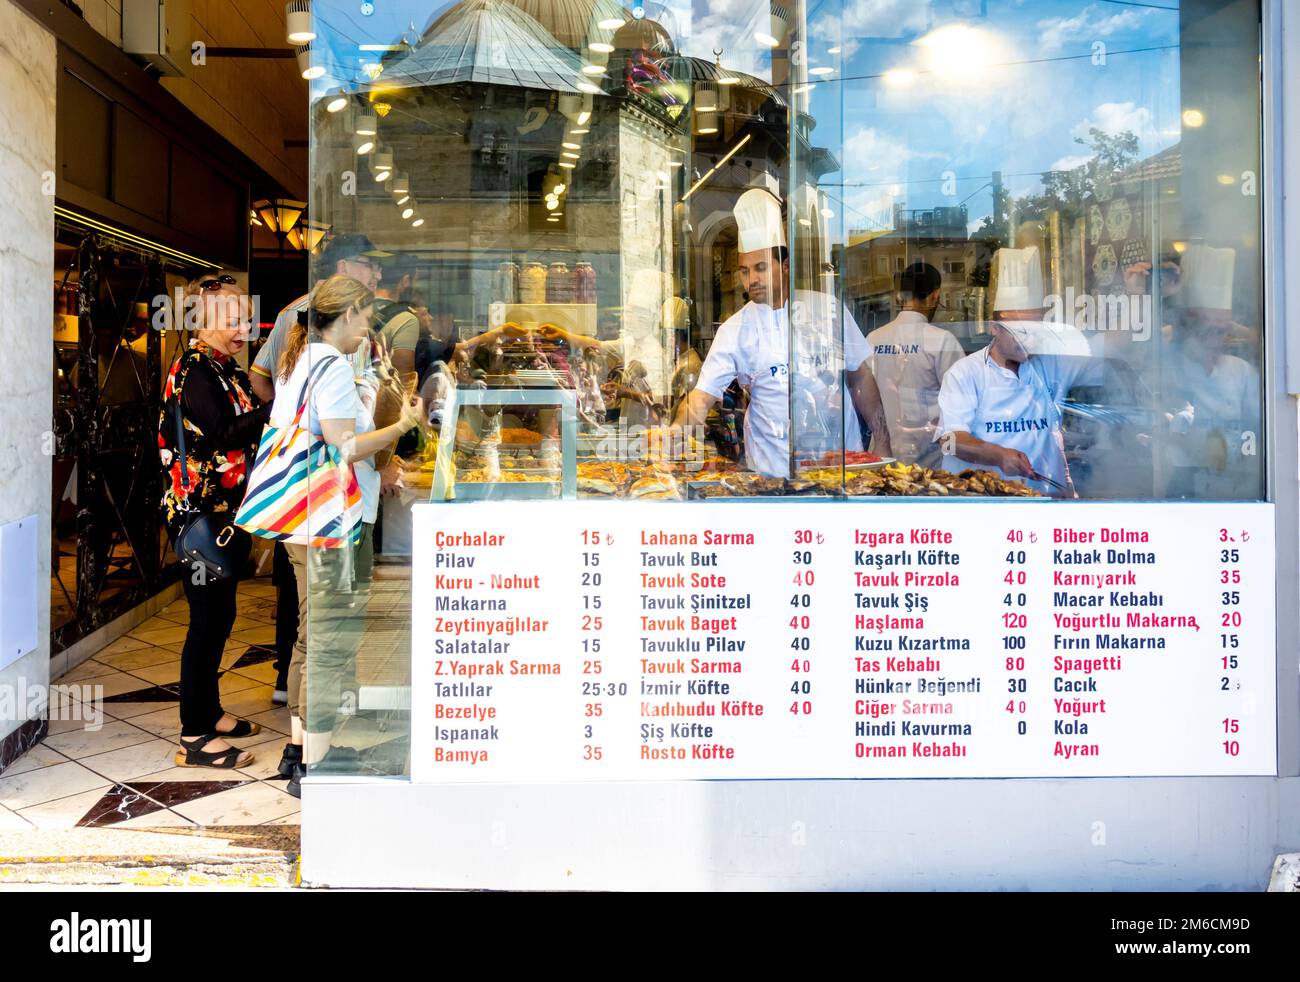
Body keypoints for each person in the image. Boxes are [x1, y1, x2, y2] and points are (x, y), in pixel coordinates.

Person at [272, 275, 423, 797]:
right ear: (346, 315)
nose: (368, 330)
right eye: (365, 319)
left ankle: (301, 749)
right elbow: (345, 446)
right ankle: (314, 767)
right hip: (328, 522)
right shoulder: (330, 363)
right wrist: (402, 425)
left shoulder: (302, 361)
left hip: (305, 522)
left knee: (311, 635)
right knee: (329, 641)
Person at [248, 234, 389, 704]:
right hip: (326, 503)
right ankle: (309, 742)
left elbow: (269, 384)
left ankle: (312, 725)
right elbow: (342, 442)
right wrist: (395, 427)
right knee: (321, 629)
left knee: (316, 624)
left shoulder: (307, 340)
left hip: (314, 503)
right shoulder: (325, 352)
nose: (377, 276)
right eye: (371, 266)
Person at [673, 188, 892, 476]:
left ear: (785, 266)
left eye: (761, 268)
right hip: (772, 476)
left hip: (839, 470)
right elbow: (702, 396)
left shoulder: (828, 309)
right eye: (744, 271)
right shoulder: (734, 329)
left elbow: (860, 375)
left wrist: (883, 441)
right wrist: (677, 430)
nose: (751, 280)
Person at [159, 272, 272, 769]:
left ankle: (210, 711)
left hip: (224, 513)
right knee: (206, 621)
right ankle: (193, 735)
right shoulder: (193, 370)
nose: (242, 327)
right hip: (199, 516)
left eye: (245, 317)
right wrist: (274, 410)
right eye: (230, 319)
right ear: (204, 322)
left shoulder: (225, 368)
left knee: (221, 615)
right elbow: (223, 433)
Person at [936, 246, 1097, 497]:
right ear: (994, 328)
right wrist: (998, 455)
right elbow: (949, 441)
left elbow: (1109, 347)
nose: (1028, 339)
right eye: (1020, 330)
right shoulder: (965, 373)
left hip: (1047, 499)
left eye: (1034, 329)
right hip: (985, 502)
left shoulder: (1052, 364)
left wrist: (1138, 293)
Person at [1160, 245, 1261, 499]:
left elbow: (1259, 426)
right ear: (1189, 327)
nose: (1215, 340)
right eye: (1208, 330)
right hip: (1182, 481)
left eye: (1222, 331)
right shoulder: (1169, 365)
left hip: (1237, 481)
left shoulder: (1240, 371)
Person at [868, 261, 964, 467]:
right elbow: (960, 404)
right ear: (935, 295)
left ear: (898, 295)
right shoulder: (942, 341)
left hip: (882, 455)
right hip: (931, 459)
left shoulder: (873, 339)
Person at [372, 255, 421, 377]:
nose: (415, 288)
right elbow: (404, 376)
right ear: (405, 281)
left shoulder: (358, 309)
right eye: (415, 281)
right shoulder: (407, 320)